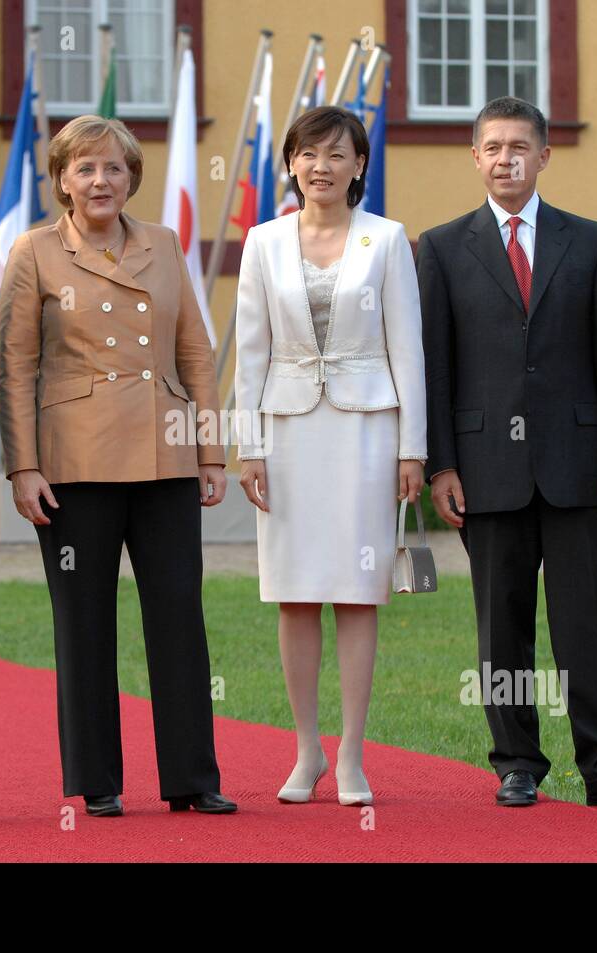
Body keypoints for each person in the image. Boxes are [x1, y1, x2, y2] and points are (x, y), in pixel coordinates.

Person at [417, 96, 597, 810]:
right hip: (484, 469)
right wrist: (442, 463)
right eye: (493, 147)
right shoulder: (439, 248)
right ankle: (517, 762)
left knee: (587, 619)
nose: (506, 158)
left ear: (544, 156)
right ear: (475, 158)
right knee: (502, 624)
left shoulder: (591, 241)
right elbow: (434, 366)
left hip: (577, 466)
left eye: (519, 146)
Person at [0, 115, 236, 818]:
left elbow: (196, 352)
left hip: (165, 455)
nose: (101, 181)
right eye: (85, 169)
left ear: (132, 177)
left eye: (114, 169)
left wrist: (210, 449)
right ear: (62, 180)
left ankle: (192, 777)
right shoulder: (34, 250)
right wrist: (22, 467)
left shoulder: (163, 244)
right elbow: (15, 367)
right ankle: (96, 778)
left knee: (178, 618)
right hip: (73, 466)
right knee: (84, 620)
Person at [233, 106, 426, 806]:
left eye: (336, 154)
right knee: (294, 591)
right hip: (285, 432)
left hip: (367, 431)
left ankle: (351, 753)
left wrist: (414, 447)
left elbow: (408, 347)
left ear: (358, 165)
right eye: (308, 154)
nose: (321, 166)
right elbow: (250, 349)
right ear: (290, 163)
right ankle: (306, 747)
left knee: (356, 589)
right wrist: (247, 444)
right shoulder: (262, 241)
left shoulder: (388, 239)